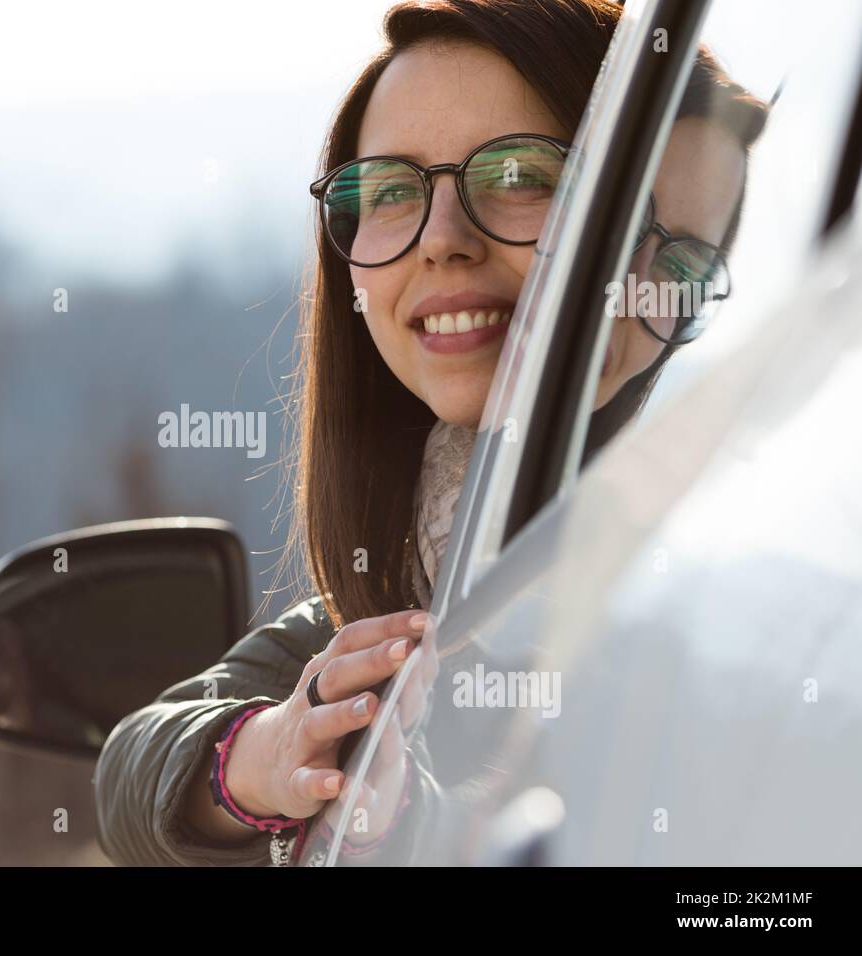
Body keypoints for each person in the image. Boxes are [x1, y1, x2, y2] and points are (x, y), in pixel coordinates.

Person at [94, 0, 768, 866]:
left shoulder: (706, 594)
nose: (440, 241)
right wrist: (265, 756)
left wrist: (403, 817)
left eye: (524, 175)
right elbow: (129, 766)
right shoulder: (424, 575)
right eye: (389, 190)